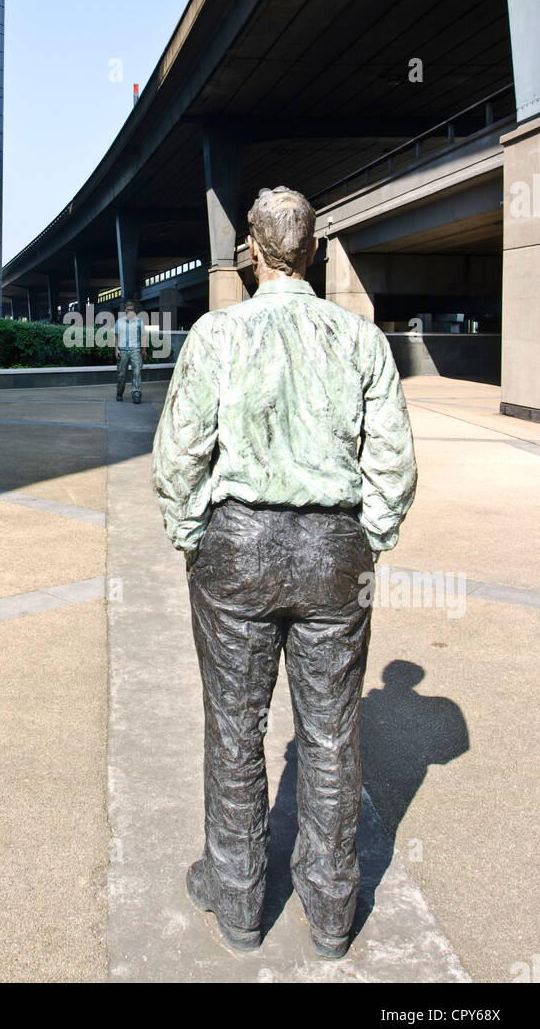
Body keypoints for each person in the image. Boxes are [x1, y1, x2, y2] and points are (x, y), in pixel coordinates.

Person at [151, 185, 417, 958]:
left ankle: (237, 898)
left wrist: (194, 537)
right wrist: (366, 536)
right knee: (332, 732)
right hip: (335, 552)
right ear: (313, 249)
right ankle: (333, 910)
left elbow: (179, 458)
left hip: (237, 547)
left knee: (235, 725)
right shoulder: (359, 338)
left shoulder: (216, 335)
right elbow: (393, 464)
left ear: (255, 254)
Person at [115, 300, 147, 404]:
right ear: (125, 310)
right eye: (128, 310)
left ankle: (136, 394)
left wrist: (144, 349)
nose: (130, 311)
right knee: (121, 374)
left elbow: (143, 336)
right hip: (123, 350)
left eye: (132, 310)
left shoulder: (139, 321)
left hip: (135, 350)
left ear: (134, 310)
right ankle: (119, 393)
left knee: (137, 372)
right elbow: (116, 336)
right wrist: (116, 349)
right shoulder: (119, 322)